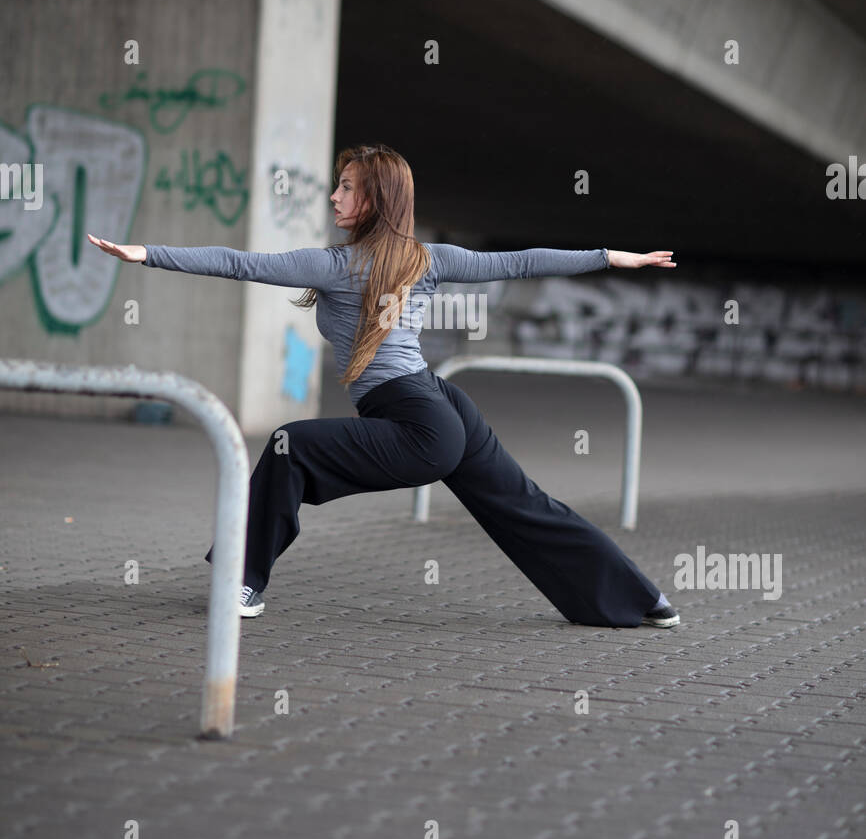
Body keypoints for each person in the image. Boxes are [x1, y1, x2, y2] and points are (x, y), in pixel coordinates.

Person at [88, 143, 679, 629]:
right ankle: (643, 600)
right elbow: (519, 262)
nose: (335, 196)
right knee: (524, 505)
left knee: (289, 447)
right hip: (440, 404)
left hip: (418, 419)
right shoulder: (429, 258)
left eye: (346, 187)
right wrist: (609, 256)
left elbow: (241, 263)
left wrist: (146, 255)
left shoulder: (338, 265)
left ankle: (242, 585)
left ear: (374, 199)